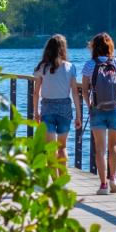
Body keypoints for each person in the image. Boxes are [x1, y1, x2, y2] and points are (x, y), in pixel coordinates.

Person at [82, 32, 116, 195]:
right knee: (114, 146)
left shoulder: (89, 65)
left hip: (97, 110)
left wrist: (90, 105)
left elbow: (84, 91)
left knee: (100, 149)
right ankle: (114, 178)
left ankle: (103, 185)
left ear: (94, 47)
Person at [33, 34, 82, 162]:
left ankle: (56, 181)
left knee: (50, 149)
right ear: (63, 49)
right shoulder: (70, 67)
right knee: (62, 148)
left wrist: (36, 112)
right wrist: (78, 115)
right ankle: (62, 180)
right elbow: (75, 93)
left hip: (47, 108)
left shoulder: (42, 67)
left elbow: (36, 92)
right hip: (65, 108)